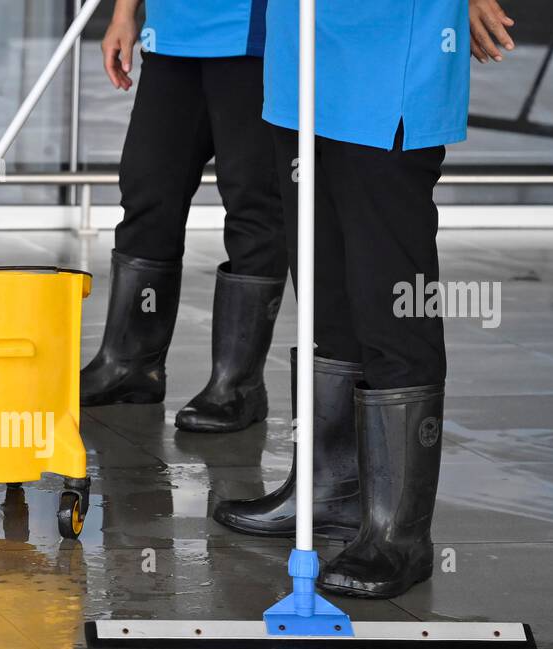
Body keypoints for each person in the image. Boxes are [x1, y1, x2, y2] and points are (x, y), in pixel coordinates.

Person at [214, 0, 517, 598]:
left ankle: (398, 535)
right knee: (326, 295)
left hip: (389, 63)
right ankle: (329, 492)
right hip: (300, 57)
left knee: (390, 298)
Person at [80, 0, 289, 433]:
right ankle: (129, 365)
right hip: (171, 36)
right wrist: (124, 14)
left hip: (252, 40)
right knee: (147, 190)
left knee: (252, 202)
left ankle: (238, 385)